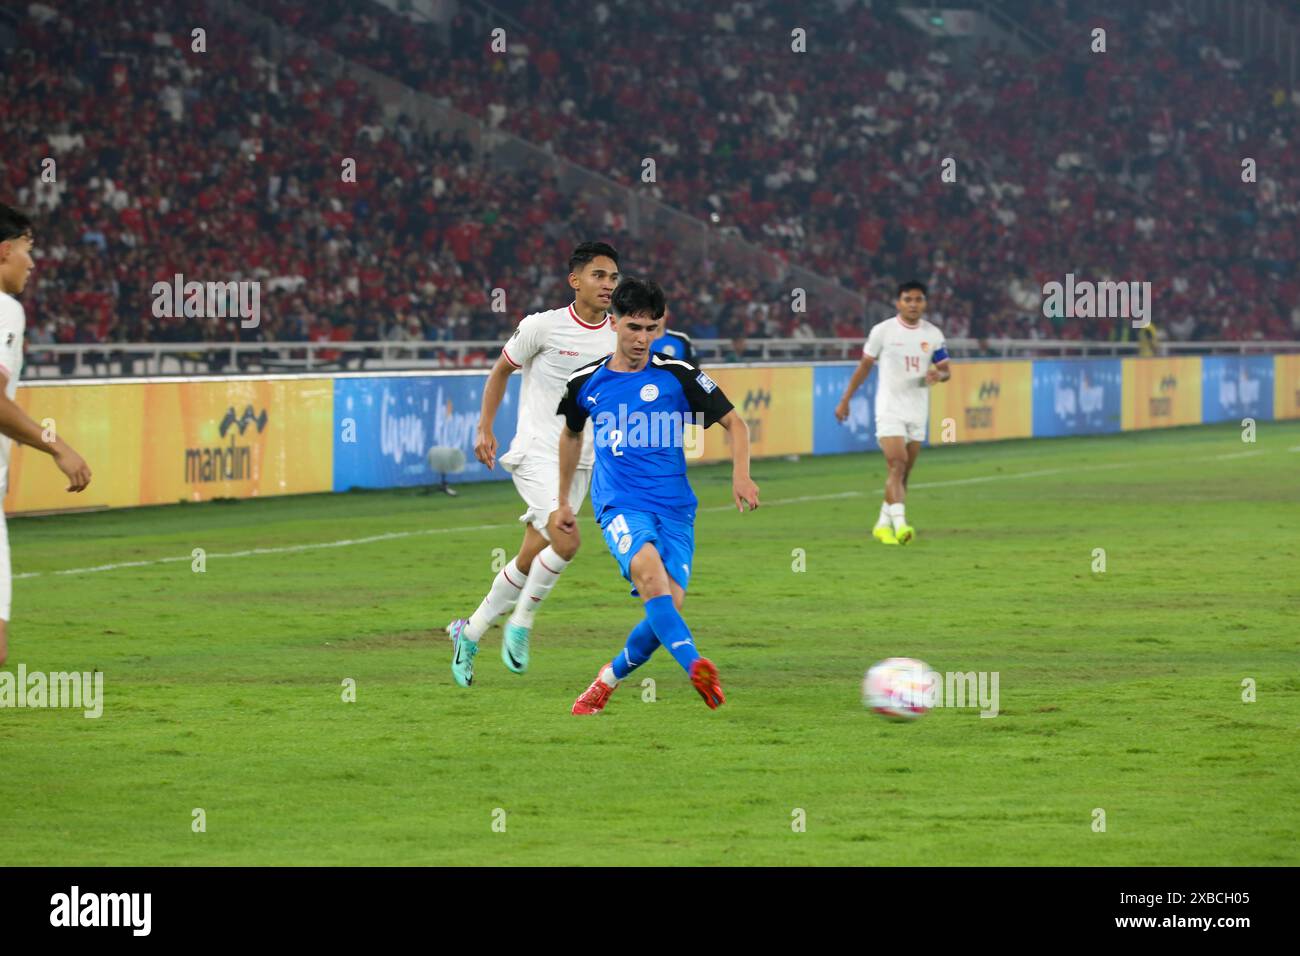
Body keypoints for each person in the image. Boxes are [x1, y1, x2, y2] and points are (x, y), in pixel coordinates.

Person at [554, 277, 759, 715]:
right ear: (613, 323)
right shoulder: (584, 382)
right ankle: (696, 665)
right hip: (620, 504)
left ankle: (605, 681)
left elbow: (735, 425)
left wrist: (741, 476)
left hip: (677, 509)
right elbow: (571, 436)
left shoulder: (679, 376)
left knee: (667, 608)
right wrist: (563, 501)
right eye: (633, 327)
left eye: (651, 329)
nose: (641, 338)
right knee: (650, 576)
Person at [446, 242, 619, 687]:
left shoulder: (618, 334)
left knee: (532, 553)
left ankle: (472, 630)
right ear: (574, 281)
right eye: (599, 275)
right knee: (567, 542)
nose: (608, 285)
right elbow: (501, 370)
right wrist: (484, 427)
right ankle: (521, 623)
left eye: (613, 277)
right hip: (537, 450)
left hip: (580, 460)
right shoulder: (542, 327)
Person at [0, 204, 94, 666]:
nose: (32, 263)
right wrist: (58, 447)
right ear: (3, 252)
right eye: (27, 250)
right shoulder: (4, 309)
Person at [834, 281, 950, 544]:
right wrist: (845, 399)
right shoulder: (882, 331)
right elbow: (864, 367)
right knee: (896, 464)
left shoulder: (933, 334)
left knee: (903, 474)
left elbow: (946, 370)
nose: (912, 304)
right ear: (898, 303)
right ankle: (901, 525)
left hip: (918, 411)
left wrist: (938, 374)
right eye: (907, 299)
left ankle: (881, 524)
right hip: (889, 409)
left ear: (925, 303)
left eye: (918, 299)